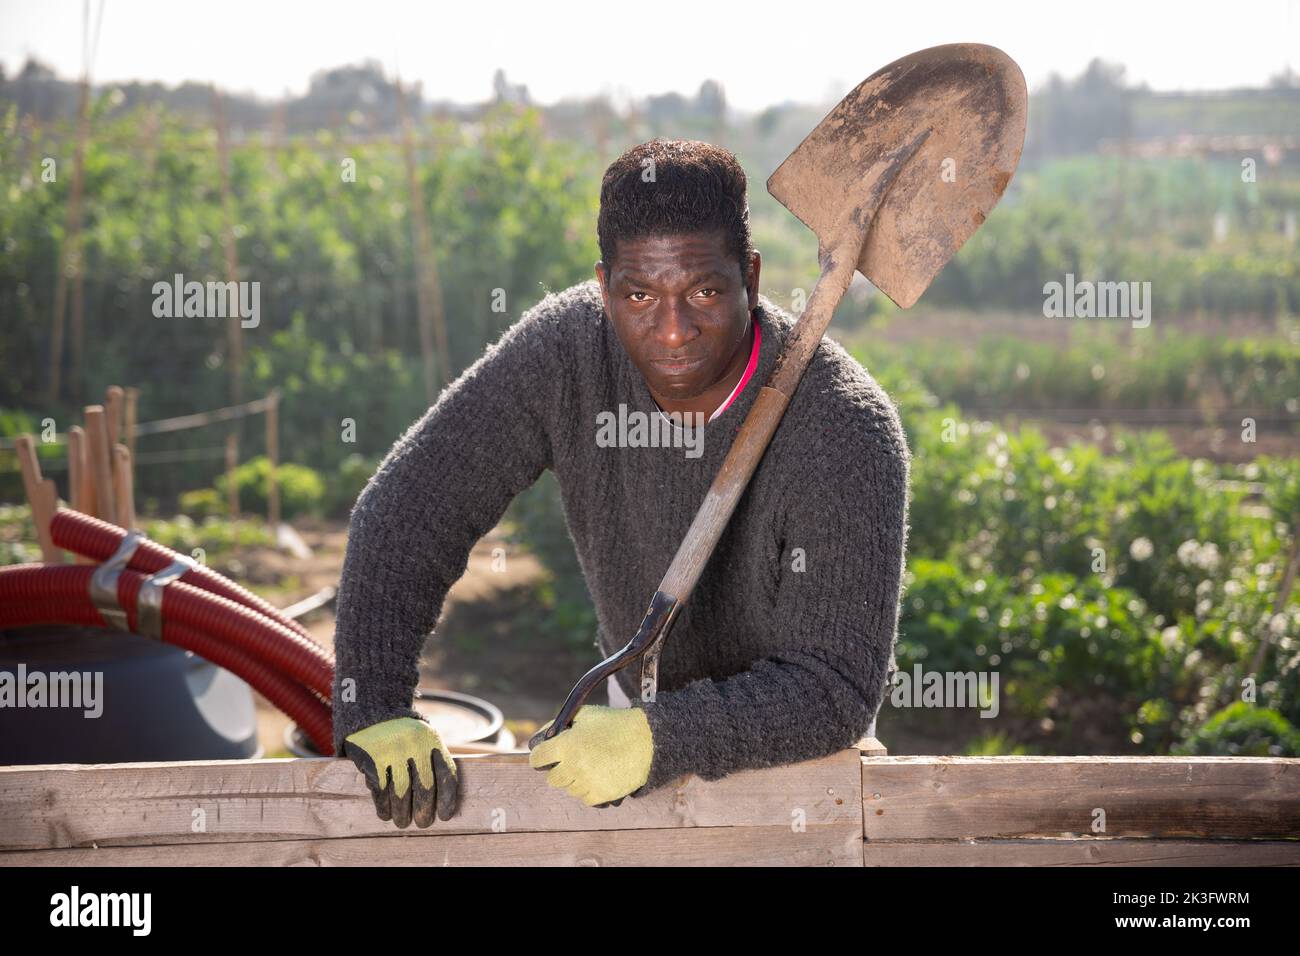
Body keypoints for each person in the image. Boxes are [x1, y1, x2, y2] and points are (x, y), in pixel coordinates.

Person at [334, 138, 911, 828]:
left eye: (703, 290)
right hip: (629, 742)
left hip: (798, 772)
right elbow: (406, 513)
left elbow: (833, 687)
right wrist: (373, 701)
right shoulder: (567, 351)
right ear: (604, 287)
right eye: (639, 294)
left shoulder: (844, 427)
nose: (672, 331)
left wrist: (661, 736)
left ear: (750, 279)